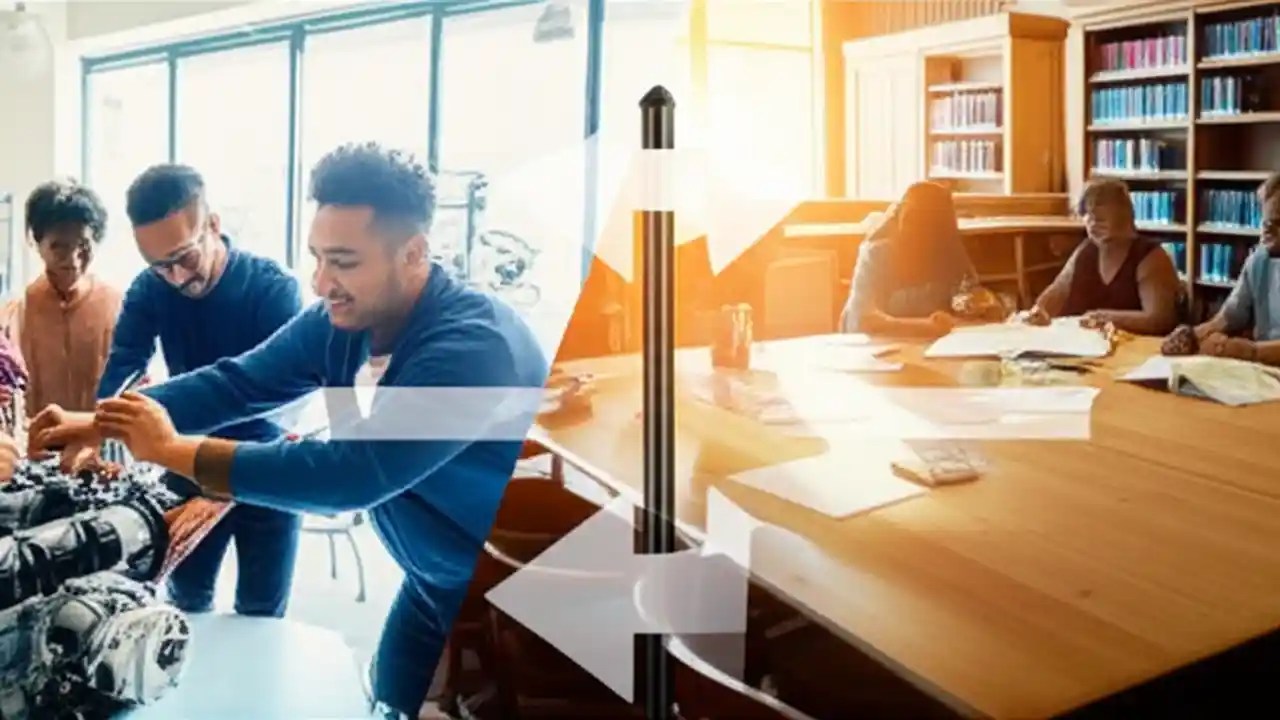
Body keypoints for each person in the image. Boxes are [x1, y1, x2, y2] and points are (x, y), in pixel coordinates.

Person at [30, 142, 550, 720]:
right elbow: (237, 382)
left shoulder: (474, 347)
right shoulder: (342, 322)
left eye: (345, 262)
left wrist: (175, 451)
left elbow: (355, 474)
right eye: (318, 257)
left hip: (510, 600)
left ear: (414, 253)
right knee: (386, 697)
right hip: (430, 580)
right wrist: (99, 422)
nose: (323, 281)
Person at [91, 164, 305, 620]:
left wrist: (171, 425)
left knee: (261, 612)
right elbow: (123, 365)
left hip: (267, 465)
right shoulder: (150, 289)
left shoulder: (274, 290)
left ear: (213, 224)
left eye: (184, 257)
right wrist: (106, 428)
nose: (174, 276)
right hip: (186, 465)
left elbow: (266, 395)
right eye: (159, 265)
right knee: (185, 606)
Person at [0, 180, 121, 415]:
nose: (73, 260)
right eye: (59, 247)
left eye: (84, 246)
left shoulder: (119, 307)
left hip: (100, 443)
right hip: (36, 445)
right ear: (37, 243)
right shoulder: (15, 315)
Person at [1019, 179, 1181, 335]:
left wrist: (1105, 318)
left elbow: (1159, 319)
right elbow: (1054, 296)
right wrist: (1038, 312)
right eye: (1089, 215)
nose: (1093, 222)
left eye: (1101, 218)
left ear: (1126, 216)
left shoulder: (1150, 256)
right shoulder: (1086, 252)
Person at [1162, 173, 1280, 363]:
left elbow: (1250, 351)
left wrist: (1251, 352)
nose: (1266, 230)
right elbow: (1228, 318)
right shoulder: (1260, 259)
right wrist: (1192, 335)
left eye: (1278, 222)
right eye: (1265, 221)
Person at [839, 182, 983, 337]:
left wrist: (984, 307)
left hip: (932, 348)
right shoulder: (876, 255)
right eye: (910, 219)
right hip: (879, 346)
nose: (916, 230)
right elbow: (862, 320)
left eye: (929, 223)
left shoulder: (951, 254)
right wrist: (925, 327)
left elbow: (972, 308)